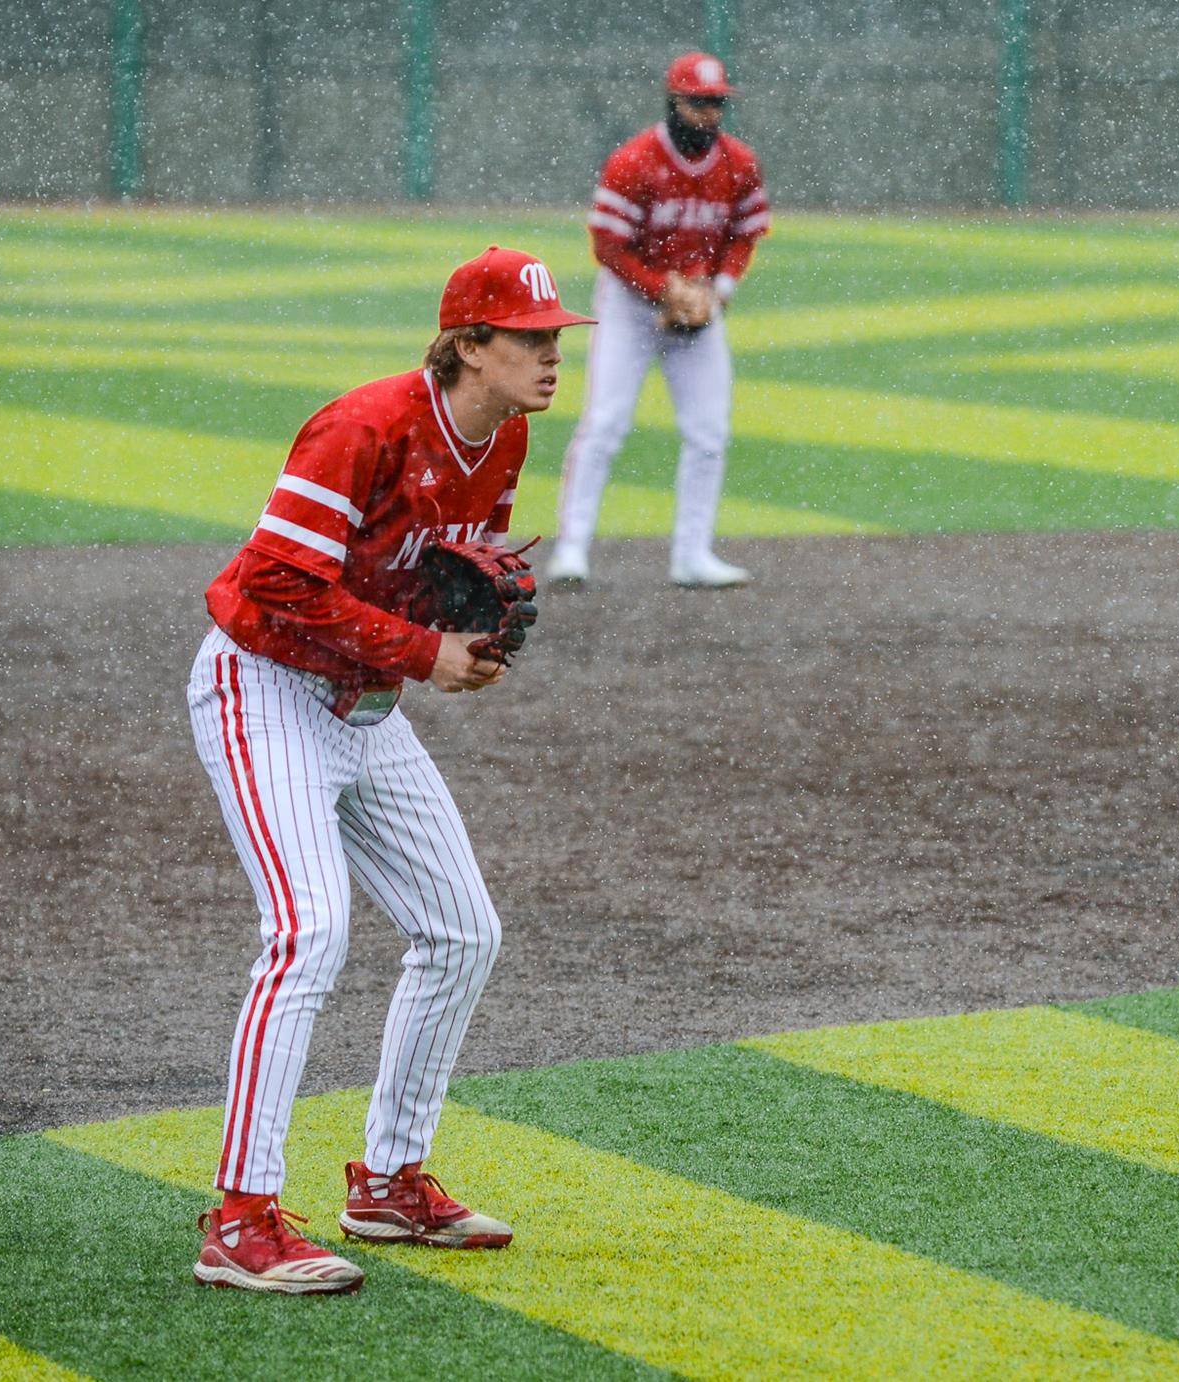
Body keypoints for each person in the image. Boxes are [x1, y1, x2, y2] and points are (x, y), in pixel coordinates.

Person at [186, 246, 594, 1295]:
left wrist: (469, 636)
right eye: (533, 339)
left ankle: (388, 1183)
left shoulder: (503, 438)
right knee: (308, 933)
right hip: (265, 689)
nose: (554, 356)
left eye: (557, 338)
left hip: (364, 704)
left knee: (463, 930)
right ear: (470, 344)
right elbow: (276, 585)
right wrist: (424, 651)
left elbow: (447, 576)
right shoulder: (361, 428)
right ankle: (239, 1220)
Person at [544, 50, 771, 590]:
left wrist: (718, 292)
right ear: (673, 101)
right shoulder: (634, 161)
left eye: (716, 103)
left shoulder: (738, 163)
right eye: (698, 102)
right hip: (628, 308)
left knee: (709, 432)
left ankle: (692, 555)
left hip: (701, 307)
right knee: (605, 423)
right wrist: (662, 289)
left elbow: (745, 235)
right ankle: (572, 548)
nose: (709, 114)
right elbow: (608, 246)